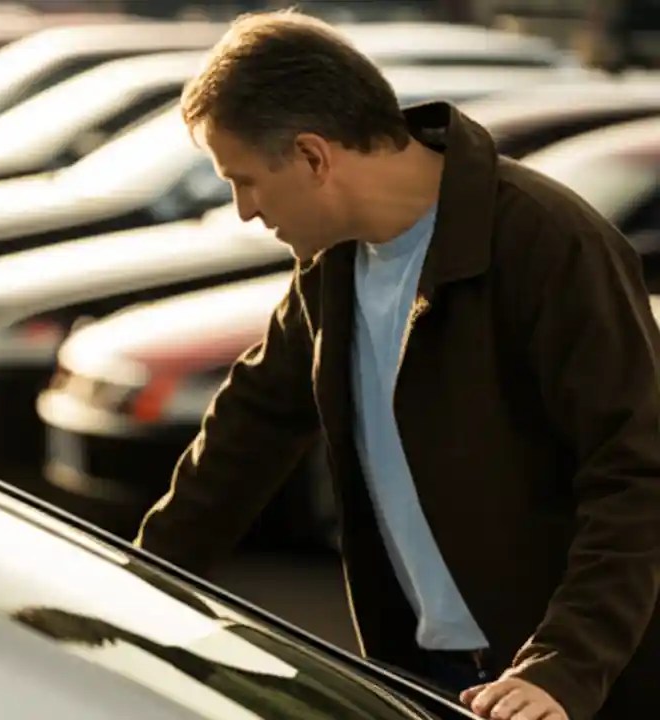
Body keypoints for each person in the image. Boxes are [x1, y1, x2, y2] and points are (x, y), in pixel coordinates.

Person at [133, 9, 660, 720]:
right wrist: (133, 584)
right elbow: (243, 435)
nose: (245, 211)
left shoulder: (548, 242)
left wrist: (564, 667)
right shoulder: (332, 266)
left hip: (561, 694)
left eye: (246, 180)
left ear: (315, 156)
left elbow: (637, 474)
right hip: (417, 677)